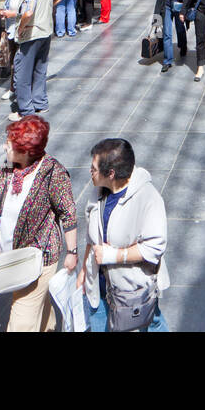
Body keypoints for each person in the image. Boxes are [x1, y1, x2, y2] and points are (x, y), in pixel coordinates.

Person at [0, 115, 78, 332]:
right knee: (41, 309)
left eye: (9, 144)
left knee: (21, 322)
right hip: (10, 256)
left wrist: (72, 252)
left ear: (25, 151)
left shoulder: (53, 173)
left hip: (39, 258)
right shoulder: (8, 169)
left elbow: (68, 215)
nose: (4, 147)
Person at [79, 138, 170, 332]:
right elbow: (91, 235)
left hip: (131, 291)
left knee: (151, 323)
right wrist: (84, 270)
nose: (90, 172)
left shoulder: (149, 198)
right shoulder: (97, 192)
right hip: (99, 287)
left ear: (110, 174)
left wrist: (114, 255)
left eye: (94, 169)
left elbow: (154, 247)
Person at [8, 0, 63, 118]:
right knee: (40, 68)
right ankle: (40, 103)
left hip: (31, 34)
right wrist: (49, 6)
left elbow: (28, 12)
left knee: (23, 73)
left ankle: (25, 109)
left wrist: (20, 28)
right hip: (46, 32)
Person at [153, 0, 188, 74]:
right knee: (167, 33)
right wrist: (156, 14)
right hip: (167, 6)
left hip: (179, 7)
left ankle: (183, 46)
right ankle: (167, 61)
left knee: (180, 29)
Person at [0, 0, 26, 108]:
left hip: (18, 29)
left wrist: (11, 14)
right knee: (12, 60)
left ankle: (18, 89)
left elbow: (25, 10)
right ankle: (13, 87)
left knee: (18, 61)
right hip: (11, 28)